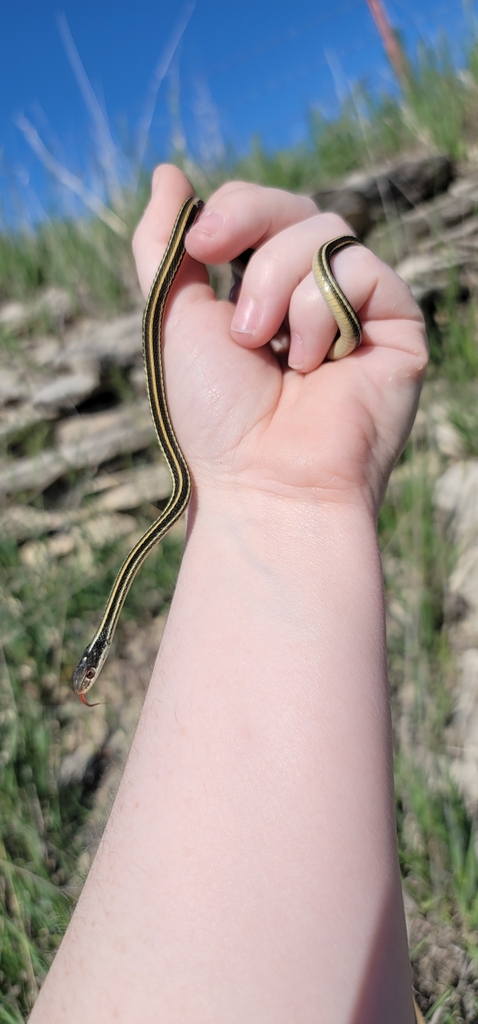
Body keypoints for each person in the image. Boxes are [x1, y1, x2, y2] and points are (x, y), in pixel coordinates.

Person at [30, 163, 427, 1023]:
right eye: (91, 675)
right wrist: (270, 497)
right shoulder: (208, 479)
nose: (89, 682)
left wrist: (282, 498)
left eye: (92, 673)